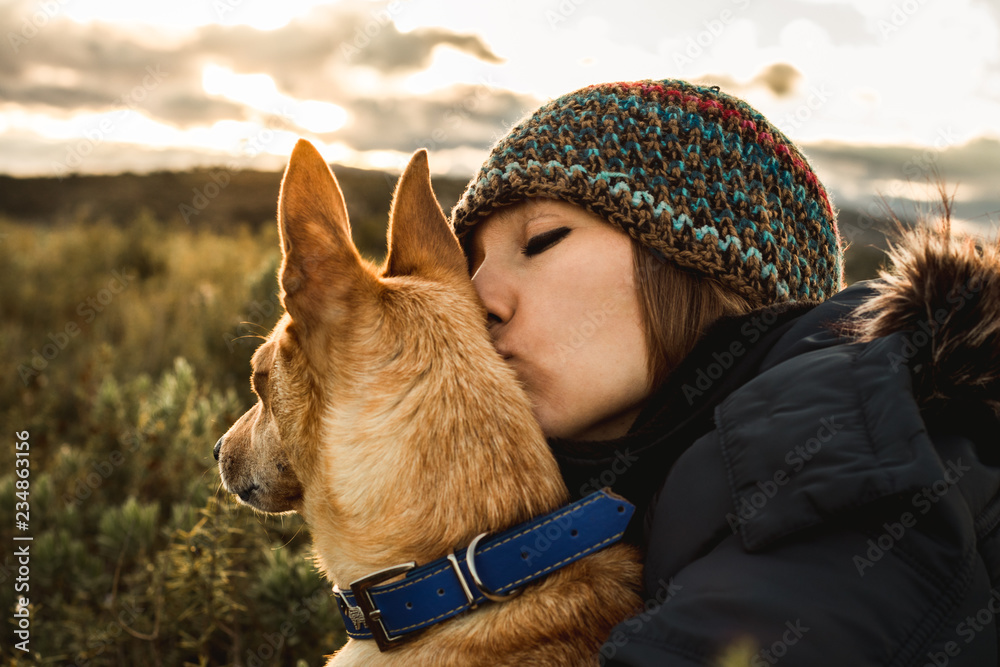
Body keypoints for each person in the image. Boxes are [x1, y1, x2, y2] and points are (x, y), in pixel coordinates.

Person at [449, 79, 1000, 666]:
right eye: (468, 266)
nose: (473, 299)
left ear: (699, 264)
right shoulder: (633, 506)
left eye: (541, 240)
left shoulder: (846, 458)